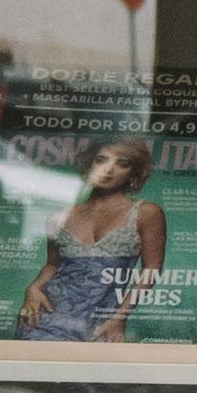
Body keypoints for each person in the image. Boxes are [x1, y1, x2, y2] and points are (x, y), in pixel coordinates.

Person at [23, 139, 165, 340]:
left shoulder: (146, 213)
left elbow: (152, 269)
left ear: (134, 172)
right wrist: (33, 288)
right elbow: (53, 265)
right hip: (44, 318)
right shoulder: (58, 217)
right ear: (89, 164)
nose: (109, 169)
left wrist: (120, 317)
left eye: (122, 163)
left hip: (101, 322)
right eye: (101, 160)